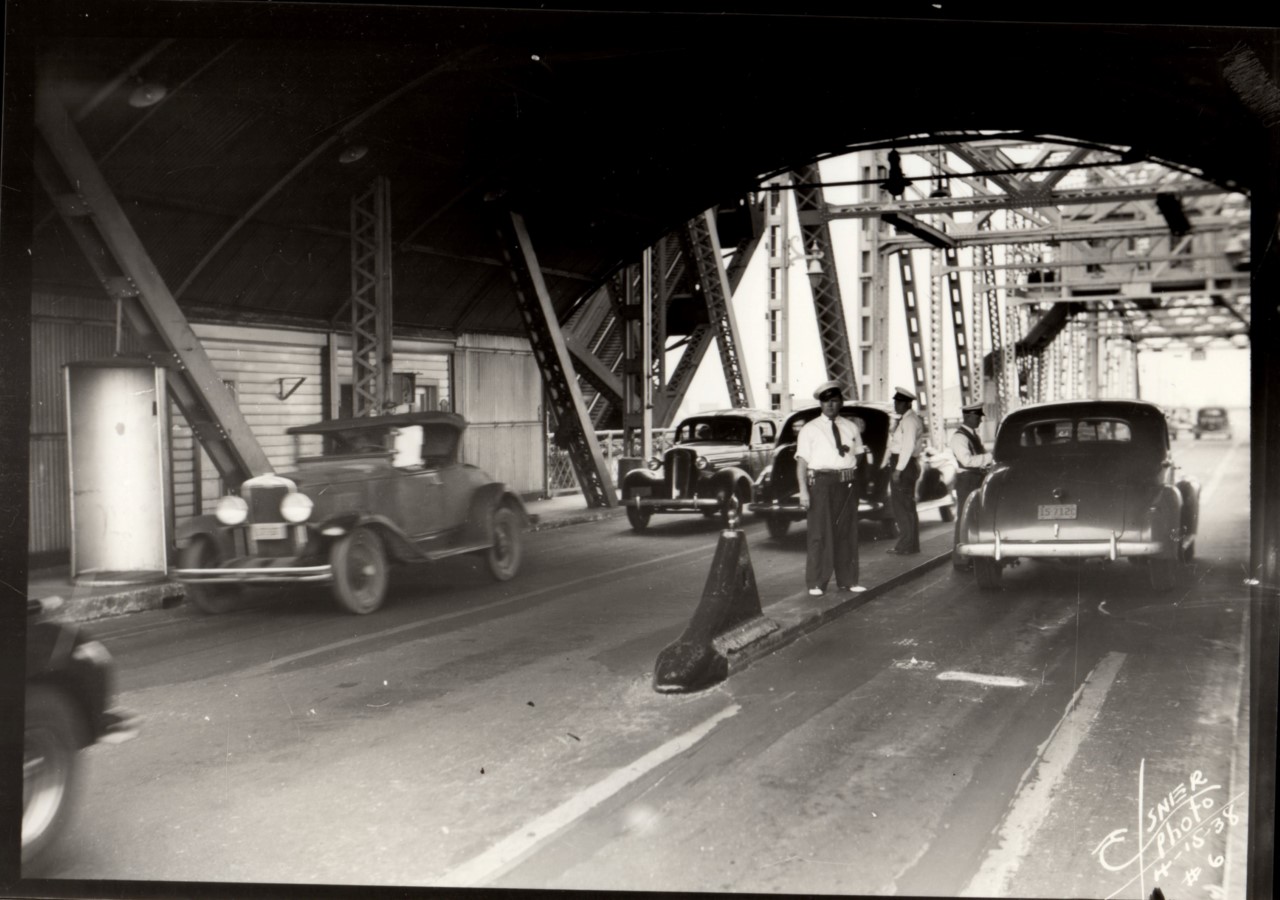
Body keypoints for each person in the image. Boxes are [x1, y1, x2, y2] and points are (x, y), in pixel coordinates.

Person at [796, 380, 869, 597]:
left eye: (834, 400)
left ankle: (848, 580)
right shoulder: (810, 429)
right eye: (826, 401)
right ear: (820, 403)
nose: (830, 405)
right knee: (820, 533)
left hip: (846, 484)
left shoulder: (851, 427)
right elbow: (801, 462)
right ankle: (817, 583)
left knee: (847, 533)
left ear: (841, 402)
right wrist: (803, 491)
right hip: (821, 484)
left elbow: (859, 456)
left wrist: (859, 484)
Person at [949, 401, 994, 568]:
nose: (980, 420)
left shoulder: (971, 435)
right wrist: (989, 457)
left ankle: (969, 557)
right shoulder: (959, 437)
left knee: (973, 518)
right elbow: (966, 461)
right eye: (977, 417)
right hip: (967, 480)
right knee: (964, 519)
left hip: (974, 479)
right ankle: (960, 560)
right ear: (968, 417)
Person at [883, 386, 924, 555]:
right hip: (907, 463)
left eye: (898, 402)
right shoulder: (910, 419)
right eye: (895, 402)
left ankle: (906, 546)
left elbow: (906, 447)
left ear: (907, 404)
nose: (895, 405)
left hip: (903, 464)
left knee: (902, 506)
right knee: (908, 506)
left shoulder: (908, 422)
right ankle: (911, 545)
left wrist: (898, 470)